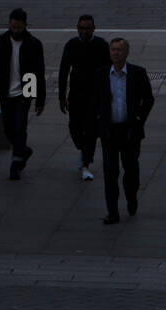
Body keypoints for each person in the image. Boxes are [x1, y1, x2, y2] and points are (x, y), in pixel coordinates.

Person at [92, 38, 154, 224]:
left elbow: (148, 99)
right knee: (110, 172)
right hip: (110, 131)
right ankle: (112, 212)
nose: (116, 53)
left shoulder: (137, 73)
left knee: (131, 170)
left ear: (126, 53)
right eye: (113, 50)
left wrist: (139, 119)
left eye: (119, 50)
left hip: (130, 130)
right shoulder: (101, 74)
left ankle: (131, 197)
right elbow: (95, 101)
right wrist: (97, 123)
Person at [0, 9, 47, 180]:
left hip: (25, 91)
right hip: (5, 91)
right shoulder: (1, 41)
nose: (16, 30)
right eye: (13, 27)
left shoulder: (34, 44)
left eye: (19, 27)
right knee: (8, 129)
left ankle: (16, 163)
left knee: (20, 127)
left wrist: (40, 100)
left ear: (25, 25)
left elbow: (39, 73)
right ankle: (23, 150)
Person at [59, 15, 110, 181]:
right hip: (76, 94)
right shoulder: (72, 45)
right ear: (77, 28)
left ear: (94, 28)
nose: (84, 31)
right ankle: (84, 150)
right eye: (81, 28)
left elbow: (109, 71)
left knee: (91, 130)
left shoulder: (101, 45)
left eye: (88, 28)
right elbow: (63, 70)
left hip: (95, 96)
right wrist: (61, 96)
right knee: (74, 127)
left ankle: (86, 162)